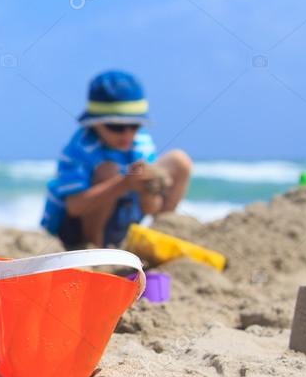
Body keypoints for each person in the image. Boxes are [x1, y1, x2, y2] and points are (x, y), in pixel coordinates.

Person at [41, 70, 192, 250]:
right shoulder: (81, 148)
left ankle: (159, 235)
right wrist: (123, 183)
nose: (127, 134)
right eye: (116, 126)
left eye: (134, 125)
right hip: (74, 231)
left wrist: (148, 188)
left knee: (179, 161)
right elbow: (74, 207)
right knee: (107, 170)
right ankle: (94, 249)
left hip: (121, 219)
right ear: (95, 123)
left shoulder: (140, 144)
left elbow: (151, 208)